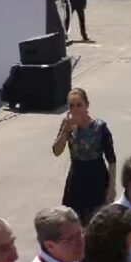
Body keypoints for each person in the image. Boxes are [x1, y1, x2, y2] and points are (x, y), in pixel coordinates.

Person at [52, 87, 117, 225]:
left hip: (97, 179)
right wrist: (65, 132)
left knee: (97, 224)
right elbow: (56, 151)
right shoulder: (67, 126)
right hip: (76, 181)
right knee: (73, 224)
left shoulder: (100, 127)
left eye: (79, 105)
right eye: (71, 105)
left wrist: (111, 187)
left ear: (87, 105)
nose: (75, 109)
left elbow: (111, 159)